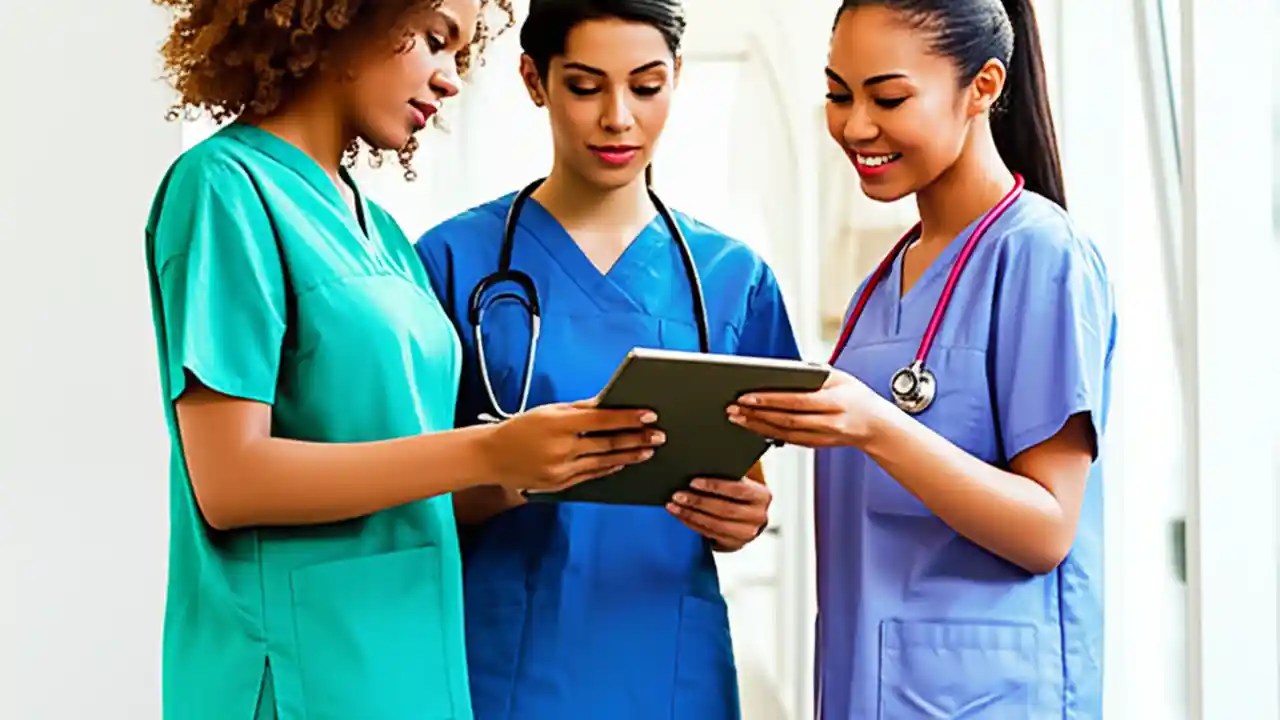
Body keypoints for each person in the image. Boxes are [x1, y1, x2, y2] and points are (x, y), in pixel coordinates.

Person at [144, 1, 666, 718]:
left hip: (412, 663)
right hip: (298, 672)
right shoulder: (223, 188)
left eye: (458, 51)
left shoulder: (383, 235)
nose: (449, 79)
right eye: (432, 40)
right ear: (338, 16)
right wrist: (488, 450)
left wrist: (540, 467)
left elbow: (400, 477)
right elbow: (229, 480)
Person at [728, 1, 1117, 718]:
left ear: (984, 86)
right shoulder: (886, 282)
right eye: (839, 94)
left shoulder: (1039, 255)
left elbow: (1046, 529)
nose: (855, 126)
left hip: (989, 698)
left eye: (889, 97)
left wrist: (876, 426)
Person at [414, 1, 800, 717]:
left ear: (677, 78)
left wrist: (743, 518)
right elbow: (405, 495)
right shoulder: (451, 260)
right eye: (586, 87)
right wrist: (511, 473)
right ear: (535, 79)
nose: (618, 117)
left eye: (647, 86)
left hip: (670, 666)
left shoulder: (732, 278)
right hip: (502, 664)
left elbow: (744, 478)